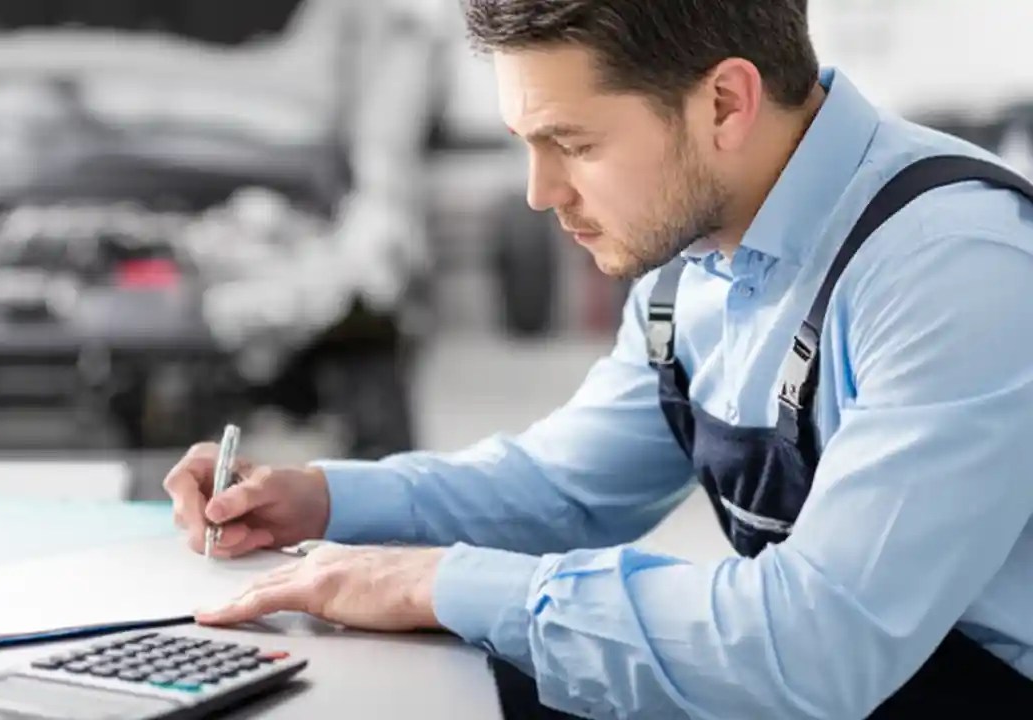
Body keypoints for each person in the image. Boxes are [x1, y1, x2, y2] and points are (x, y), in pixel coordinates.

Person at [165, 1, 1033, 717]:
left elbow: (817, 647)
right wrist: (322, 498)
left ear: (727, 102)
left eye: (574, 145)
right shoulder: (696, 263)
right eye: (527, 144)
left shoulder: (953, 266)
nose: (541, 193)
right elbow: (562, 490)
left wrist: (439, 584)